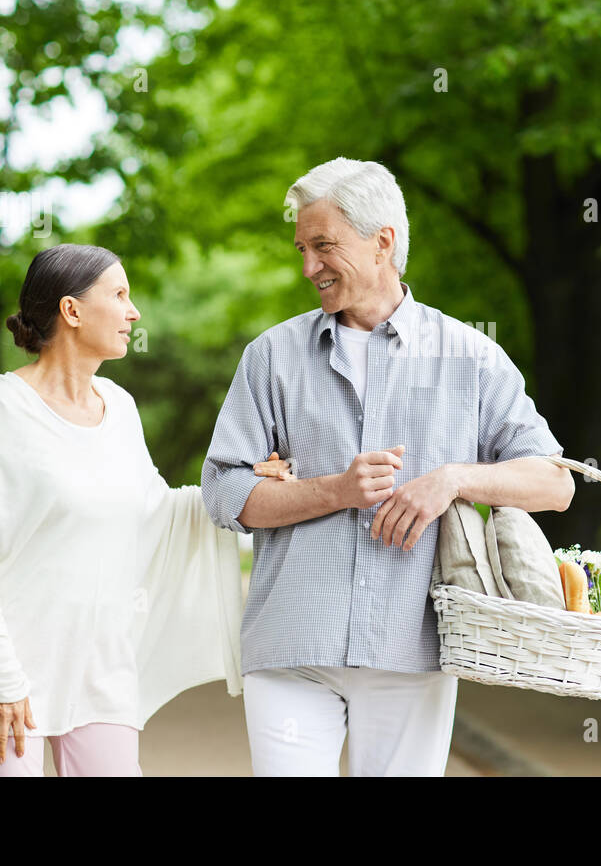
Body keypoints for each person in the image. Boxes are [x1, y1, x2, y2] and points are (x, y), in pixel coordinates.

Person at [201, 157, 574, 776]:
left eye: (324, 247)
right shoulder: (270, 357)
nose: (307, 268)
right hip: (293, 644)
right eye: (302, 248)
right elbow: (223, 490)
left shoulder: (471, 357)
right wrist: (335, 490)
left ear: (383, 243)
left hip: (413, 650)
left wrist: (453, 478)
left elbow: (554, 481)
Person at [0, 243, 262, 776]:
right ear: (71, 311)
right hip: (11, 675)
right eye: (120, 295)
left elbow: (155, 511)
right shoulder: (4, 405)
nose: (134, 312)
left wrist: (244, 485)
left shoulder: (119, 407)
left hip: (101, 671)